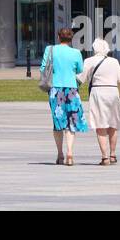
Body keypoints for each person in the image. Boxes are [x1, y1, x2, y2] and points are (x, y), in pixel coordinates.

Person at [41, 27, 88, 165]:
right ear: (71, 39)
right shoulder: (76, 52)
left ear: (58, 37)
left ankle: (60, 154)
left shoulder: (50, 50)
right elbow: (80, 69)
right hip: (72, 89)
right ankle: (70, 153)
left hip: (56, 89)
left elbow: (43, 68)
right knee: (71, 123)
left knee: (58, 123)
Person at [79, 37, 120, 165]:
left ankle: (104, 157)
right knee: (113, 123)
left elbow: (80, 78)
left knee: (100, 125)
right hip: (113, 92)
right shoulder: (114, 61)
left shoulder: (89, 61)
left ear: (94, 49)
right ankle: (112, 154)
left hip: (98, 92)